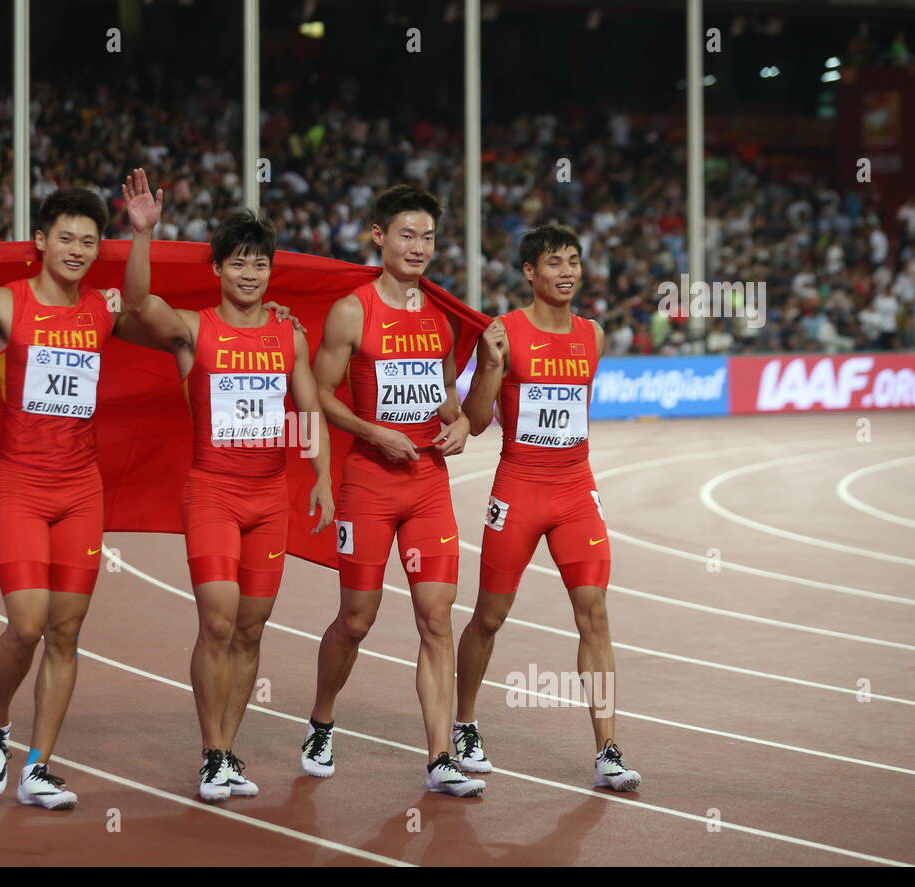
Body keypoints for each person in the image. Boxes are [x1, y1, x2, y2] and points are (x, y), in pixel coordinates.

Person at [0, 187, 298, 810]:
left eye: (90, 241)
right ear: (40, 241)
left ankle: (39, 765)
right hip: (23, 489)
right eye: (67, 238)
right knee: (26, 625)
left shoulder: (103, 309)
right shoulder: (7, 304)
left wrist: (156, 243)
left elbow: (155, 312)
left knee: (65, 631)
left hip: (83, 490)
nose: (79, 250)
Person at [122, 168, 334, 803]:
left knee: (251, 627)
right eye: (239, 263)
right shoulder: (193, 329)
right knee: (216, 621)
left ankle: (229, 749)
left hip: (270, 499)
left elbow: (309, 408)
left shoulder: (288, 335)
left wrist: (322, 473)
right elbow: (136, 305)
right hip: (212, 491)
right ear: (217, 268)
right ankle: (211, 751)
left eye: (260, 264)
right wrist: (142, 236)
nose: (250, 274)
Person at [304, 184, 480, 798]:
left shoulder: (440, 316)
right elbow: (319, 393)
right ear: (379, 237)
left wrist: (458, 424)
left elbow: (450, 398)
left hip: (429, 483)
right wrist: (371, 432)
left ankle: (439, 757)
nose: (419, 247)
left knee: (436, 617)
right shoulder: (353, 311)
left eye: (428, 237)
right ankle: (323, 718)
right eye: (408, 234)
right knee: (357, 619)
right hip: (370, 484)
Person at [458, 224, 642, 792]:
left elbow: (576, 410)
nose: (566, 272)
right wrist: (490, 367)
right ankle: (464, 721)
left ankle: (607, 748)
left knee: (595, 613)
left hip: (574, 490)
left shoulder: (594, 336)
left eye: (573, 261)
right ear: (529, 273)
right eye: (553, 263)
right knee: (490, 615)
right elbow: (479, 419)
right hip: (519, 487)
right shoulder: (505, 333)